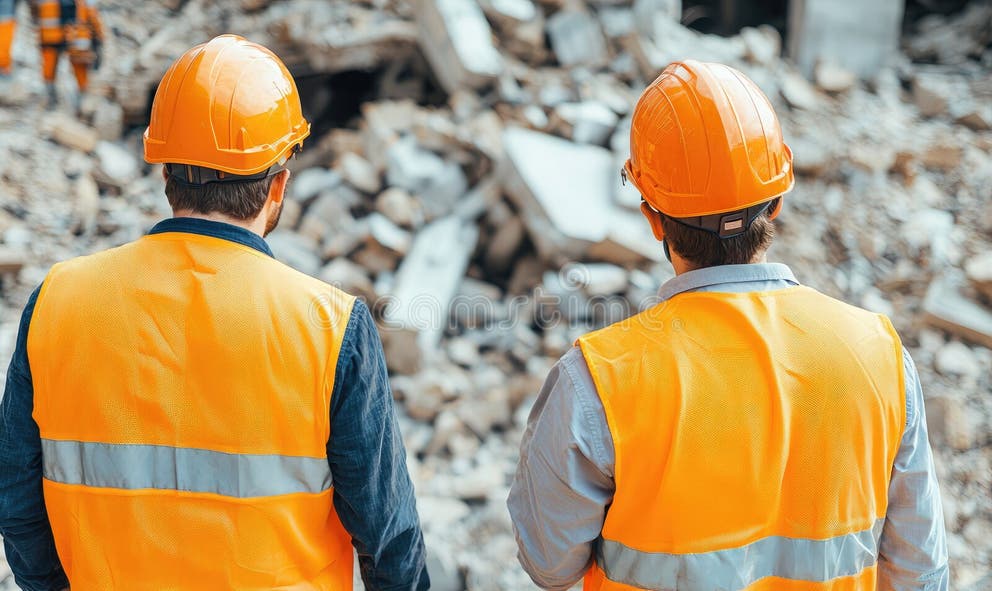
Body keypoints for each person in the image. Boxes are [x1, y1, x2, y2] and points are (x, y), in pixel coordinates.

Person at [0, 34, 429, 590]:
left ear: (165, 172)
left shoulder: (57, 301)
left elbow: (18, 503)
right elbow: (389, 540)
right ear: (278, 186)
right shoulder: (330, 328)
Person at [508, 60, 948, 591]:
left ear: (651, 218)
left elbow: (547, 563)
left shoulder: (599, 382)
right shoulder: (879, 356)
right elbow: (920, 573)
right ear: (778, 202)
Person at [33, 0, 103, 108]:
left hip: (50, 36)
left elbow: (35, 12)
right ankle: (82, 99)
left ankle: (51, 98)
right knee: (78, 68)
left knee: (49, 69)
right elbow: (92, 16)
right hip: (74, 35)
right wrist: (99, 39)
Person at [0, 0, 18, 77]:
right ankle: (3, 66)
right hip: (7, 16)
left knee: (4, 42)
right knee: (4, 42)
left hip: (7, 16)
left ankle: (3, 66)